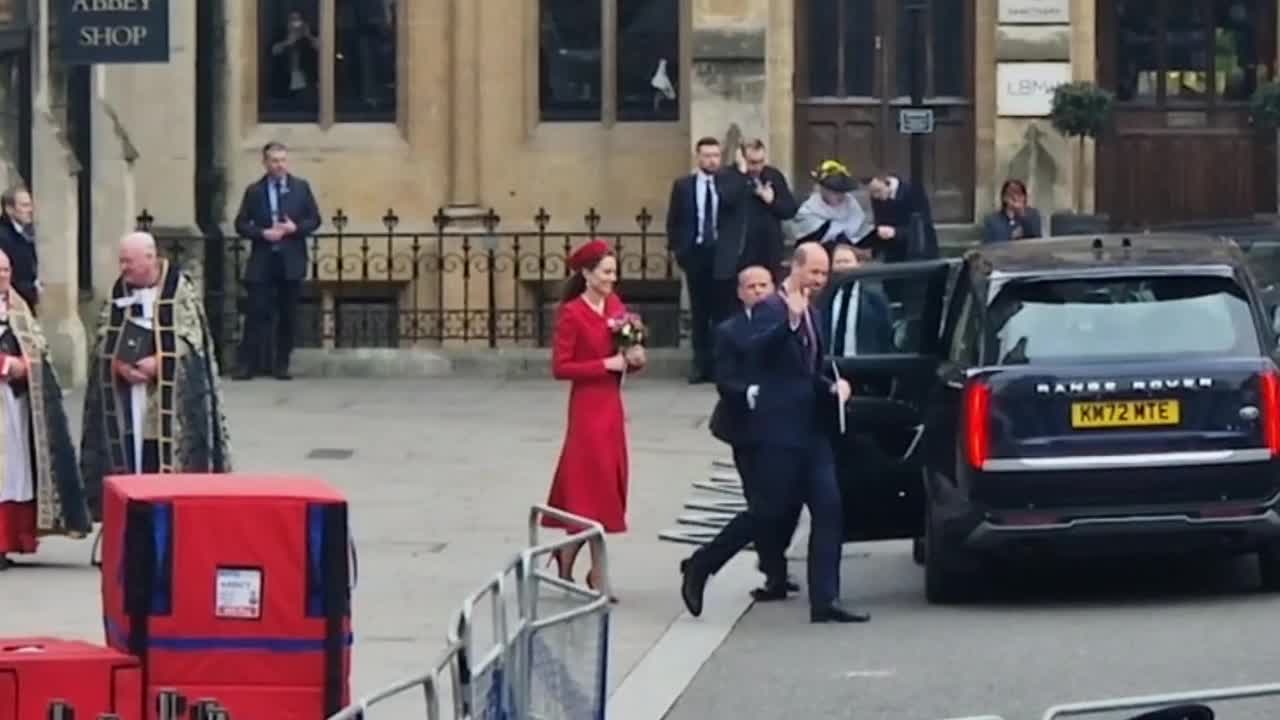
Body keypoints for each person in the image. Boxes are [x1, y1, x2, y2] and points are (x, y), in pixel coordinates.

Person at [682, 244, 869, 624]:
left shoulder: (814, 312)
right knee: (767, 513)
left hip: (812, 430)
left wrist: (833, 388)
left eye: (824, 274)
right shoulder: (769, 310)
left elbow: (808, 372)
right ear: (795, 268)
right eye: (814, 273)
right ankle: (702, 564)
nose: (820, 281)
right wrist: (789, 324)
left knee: (829, 509)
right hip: (776, 430)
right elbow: (755, 354)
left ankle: (825, 600)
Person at [79, 232, 233, 520]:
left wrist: (160, 363)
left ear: (150, 259)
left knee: (157, 455)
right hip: (127, 394)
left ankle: (168, 519)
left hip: (167, 399)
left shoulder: (179, 289)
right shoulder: (118, 291)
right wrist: (117, 364)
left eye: (129, 261)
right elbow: (102, 336)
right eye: (121, 261)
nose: (123, 268)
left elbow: (191, 339)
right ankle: (128, 519)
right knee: (130, 452)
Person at [542, 239, 647, 602]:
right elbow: (561, 367)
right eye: (605, 272)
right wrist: (605, 365)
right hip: (587, 407)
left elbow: (624, 352)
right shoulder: (572, 313)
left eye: (614, 273)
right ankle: (597, 573)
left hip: (611, 406)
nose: (611, 279)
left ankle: (569, 554)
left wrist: (633, 359)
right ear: (586, 274)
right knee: (589, 485)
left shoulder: (615, 306)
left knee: (607, 482)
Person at [699, 265, 800, 600]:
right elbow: (724, 378)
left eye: (764, 285)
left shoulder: (787, 319)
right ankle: (774, 573)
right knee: (761, 505)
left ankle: (773, 568)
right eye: (751, 286)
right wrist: (749, 393)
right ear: (740, 292)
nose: (758, 291)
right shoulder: (729, 331)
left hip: (783, 426)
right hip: (745, 429)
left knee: (782, 507)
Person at [0, 250, 89, 570]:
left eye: (7, 269)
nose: (4, 276)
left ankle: (10, 539)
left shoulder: (18, 306)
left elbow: (38, 349)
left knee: (14, 475)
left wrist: (27, 367)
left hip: (13, 405)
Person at [233, 141, 322, 381]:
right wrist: (262, 233)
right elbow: (240, 223)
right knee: (256, 312)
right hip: (263, 259)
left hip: (290, 259)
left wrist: (295, 228)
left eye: (283, 160)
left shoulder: (301, 188)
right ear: (265, 163)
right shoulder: (254, 191)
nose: (279, 165)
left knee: (288, 314)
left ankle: (281, 364)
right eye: (274, 161)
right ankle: (247, 365)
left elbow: (314, 220)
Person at [666, 136, 749, 384]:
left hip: (723, 254)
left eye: (716, 156)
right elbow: (675, 221)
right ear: (698, 157)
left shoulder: (728, 183)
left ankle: (723, 365)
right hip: (697, 254)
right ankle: (700, 364)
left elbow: (735, 202)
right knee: (700, 313)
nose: (712, 160)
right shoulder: (684, 185)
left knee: (724, 313)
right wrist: (680, 251)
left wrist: (741, 172)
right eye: (707, 155)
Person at [737, 139, 799, 281]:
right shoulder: (731, 177)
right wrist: (742, 176)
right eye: (752, 162)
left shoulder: (773, 175)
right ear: (742, 159)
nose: (758, 167)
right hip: (741, 250)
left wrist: (771, 201)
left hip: (769, 249)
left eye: (761, 161)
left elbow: (790, 210)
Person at [827, 241, 895, 357]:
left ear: (858, 264)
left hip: (864, 366)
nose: (843, 266)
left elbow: (885, 335)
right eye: (838, 262)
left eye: (847, 262)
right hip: (831, 368)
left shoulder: (875, 298)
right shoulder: (826, 298)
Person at [787, 160, 872, 248]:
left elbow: (863, 233)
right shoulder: (809, 211)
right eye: (835, 192)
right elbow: (807, 241)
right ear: (823, 189)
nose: (840, 196)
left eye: (843, 192)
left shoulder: (851, 204)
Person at [864, 171, 940, 262]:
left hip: (919, 252)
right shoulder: (877, 197)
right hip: (893, 254)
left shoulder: (912, 191)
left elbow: (923, 227)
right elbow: (879, 222)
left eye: (877, 191)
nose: (876, 196)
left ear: (887, 183)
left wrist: (896, 232)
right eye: (872, 194)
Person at [0, 186, 38, 312]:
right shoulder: (3, 236)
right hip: (10, 306)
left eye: (30, 205)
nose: (30, 210)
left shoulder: (24, 233)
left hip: (25, 304)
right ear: (9, 209)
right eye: (24, 206)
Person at [982, 179, 1043, 243]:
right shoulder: (992, 220)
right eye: (1011, 194)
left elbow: (1037, 240)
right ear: (1004, 197)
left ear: (1024, 197)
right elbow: (989, 244)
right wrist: (1010, 237)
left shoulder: (1033, 215)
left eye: (1019, 194)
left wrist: (1021, 212)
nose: (1015, 197)